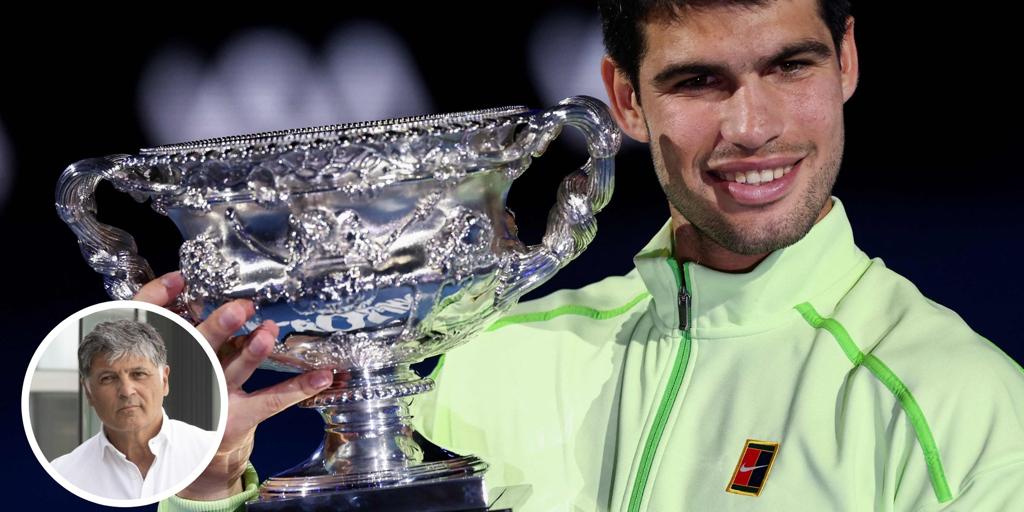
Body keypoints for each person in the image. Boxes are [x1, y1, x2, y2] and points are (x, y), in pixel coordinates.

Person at [153, 0, 1024, 510]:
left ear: (847, 63)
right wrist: (207, 483)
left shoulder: (961, 404)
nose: (752, 127)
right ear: (625, 101)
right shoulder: (482, 364)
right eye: (697, 81)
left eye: (790, 67)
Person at [50, 320, 220, 500]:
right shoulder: (63, 474)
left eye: (139, 374)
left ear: (164, 380)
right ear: (88, 391)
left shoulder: (214, 452)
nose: (126, 391)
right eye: (108, 378)